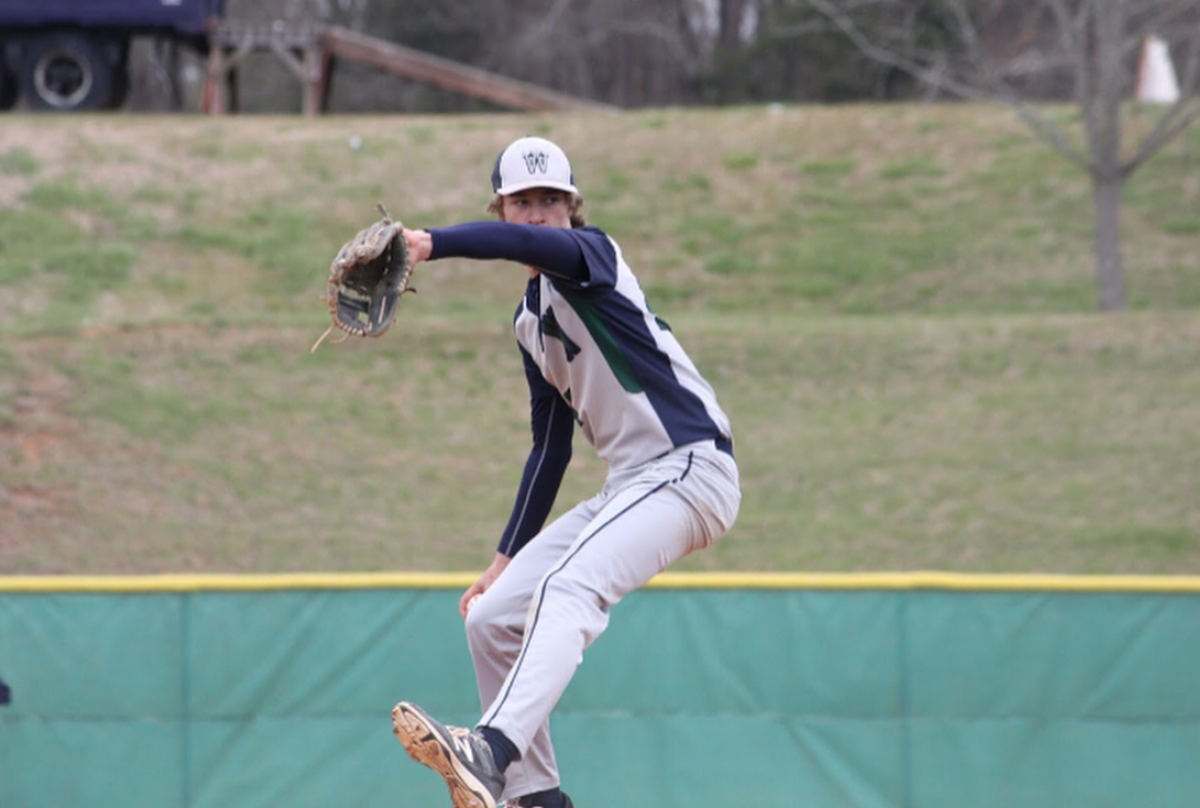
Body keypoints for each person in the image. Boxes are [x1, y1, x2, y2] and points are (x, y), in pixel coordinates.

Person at [390, 136, 742, 808]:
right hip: (634, 485)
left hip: (690, 466)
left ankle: (491, 751)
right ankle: (536, 797)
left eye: (550, 199)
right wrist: (500, 561)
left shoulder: (591, 258)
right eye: (522, 201)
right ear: (501, 206)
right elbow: (550, 449)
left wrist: (430, 242)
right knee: (491, 618)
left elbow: (525, 249)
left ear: (572, 208)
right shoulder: (530, 321)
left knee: (569, 586)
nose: (537, 213)